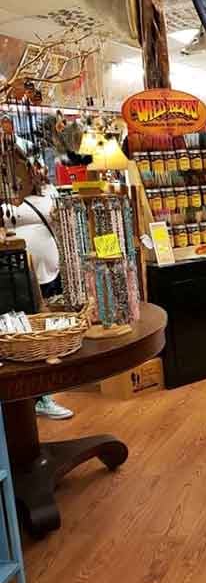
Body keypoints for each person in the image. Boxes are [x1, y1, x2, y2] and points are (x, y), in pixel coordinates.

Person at [11, 148, 74, 421]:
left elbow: (60, 219)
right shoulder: (8, 197)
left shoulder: (48, 193)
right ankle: (39, 395)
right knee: (27, 327)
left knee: (49, 323)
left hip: (49, 269)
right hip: (19, 275)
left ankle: (50, 384)